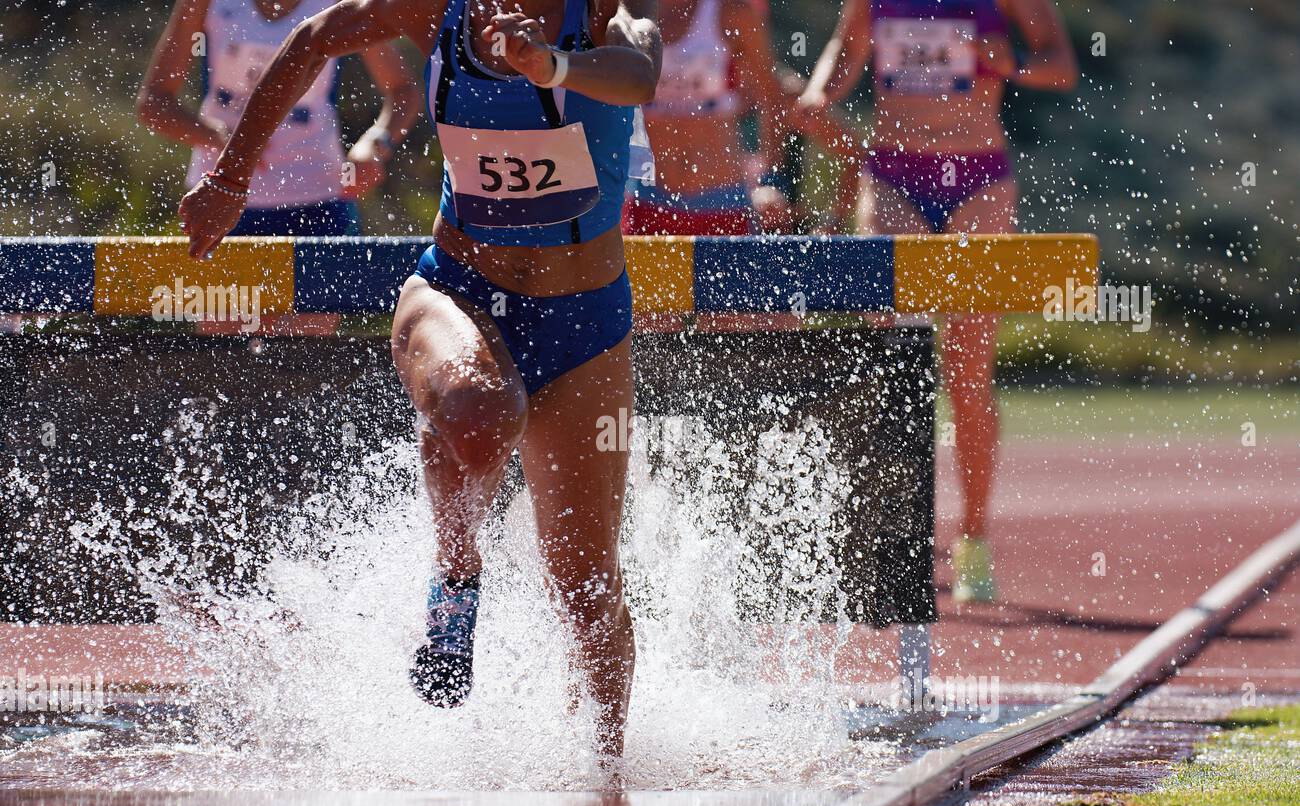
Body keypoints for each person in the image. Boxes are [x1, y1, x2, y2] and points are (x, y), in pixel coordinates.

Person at [179, 0, 661, 763]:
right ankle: (456, 573)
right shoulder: (443, 7)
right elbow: (314, 37)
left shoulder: (602, 12)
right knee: (477, 411)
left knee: (588, 587)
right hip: (458, 289)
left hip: (584, 322)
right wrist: (231, 176)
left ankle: (607, 776)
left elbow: (639, 72)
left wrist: (552, 66)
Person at [797, 0, 1077, 603]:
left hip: (978, 179)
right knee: (884, 363)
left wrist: (1013, 65)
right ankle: (881, 536)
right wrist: (822, 92)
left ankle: (973, 535)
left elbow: (1061, 67)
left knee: (966, 372)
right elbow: (846, 53)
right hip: (894, 175)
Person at [139, 0, 419, 236]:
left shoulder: (337, 4)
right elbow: (153, 103)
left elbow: (403, 90)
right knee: (214, 301)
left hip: (320, 199)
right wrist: (228, 142)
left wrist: (374, 145)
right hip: (218, 197)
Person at [622, 0, 788, 236]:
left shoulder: (731, 10)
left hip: (722, 200)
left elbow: (771, 96)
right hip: (647, 199)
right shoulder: (626, 10)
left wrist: (771, 180)